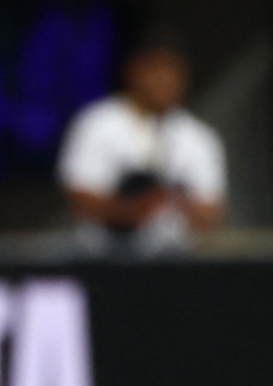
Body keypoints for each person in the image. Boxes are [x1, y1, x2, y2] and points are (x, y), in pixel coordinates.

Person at [58, 41, 225, 255]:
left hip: (174, 259)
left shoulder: (198, 136)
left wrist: (172, 197)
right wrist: (135, 207)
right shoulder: (98, 123)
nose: (165, 81)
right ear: (133, 71)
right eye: (156, 70)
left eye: (173, 72)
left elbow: (211, 213)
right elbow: (82, 198)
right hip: (102, 257)